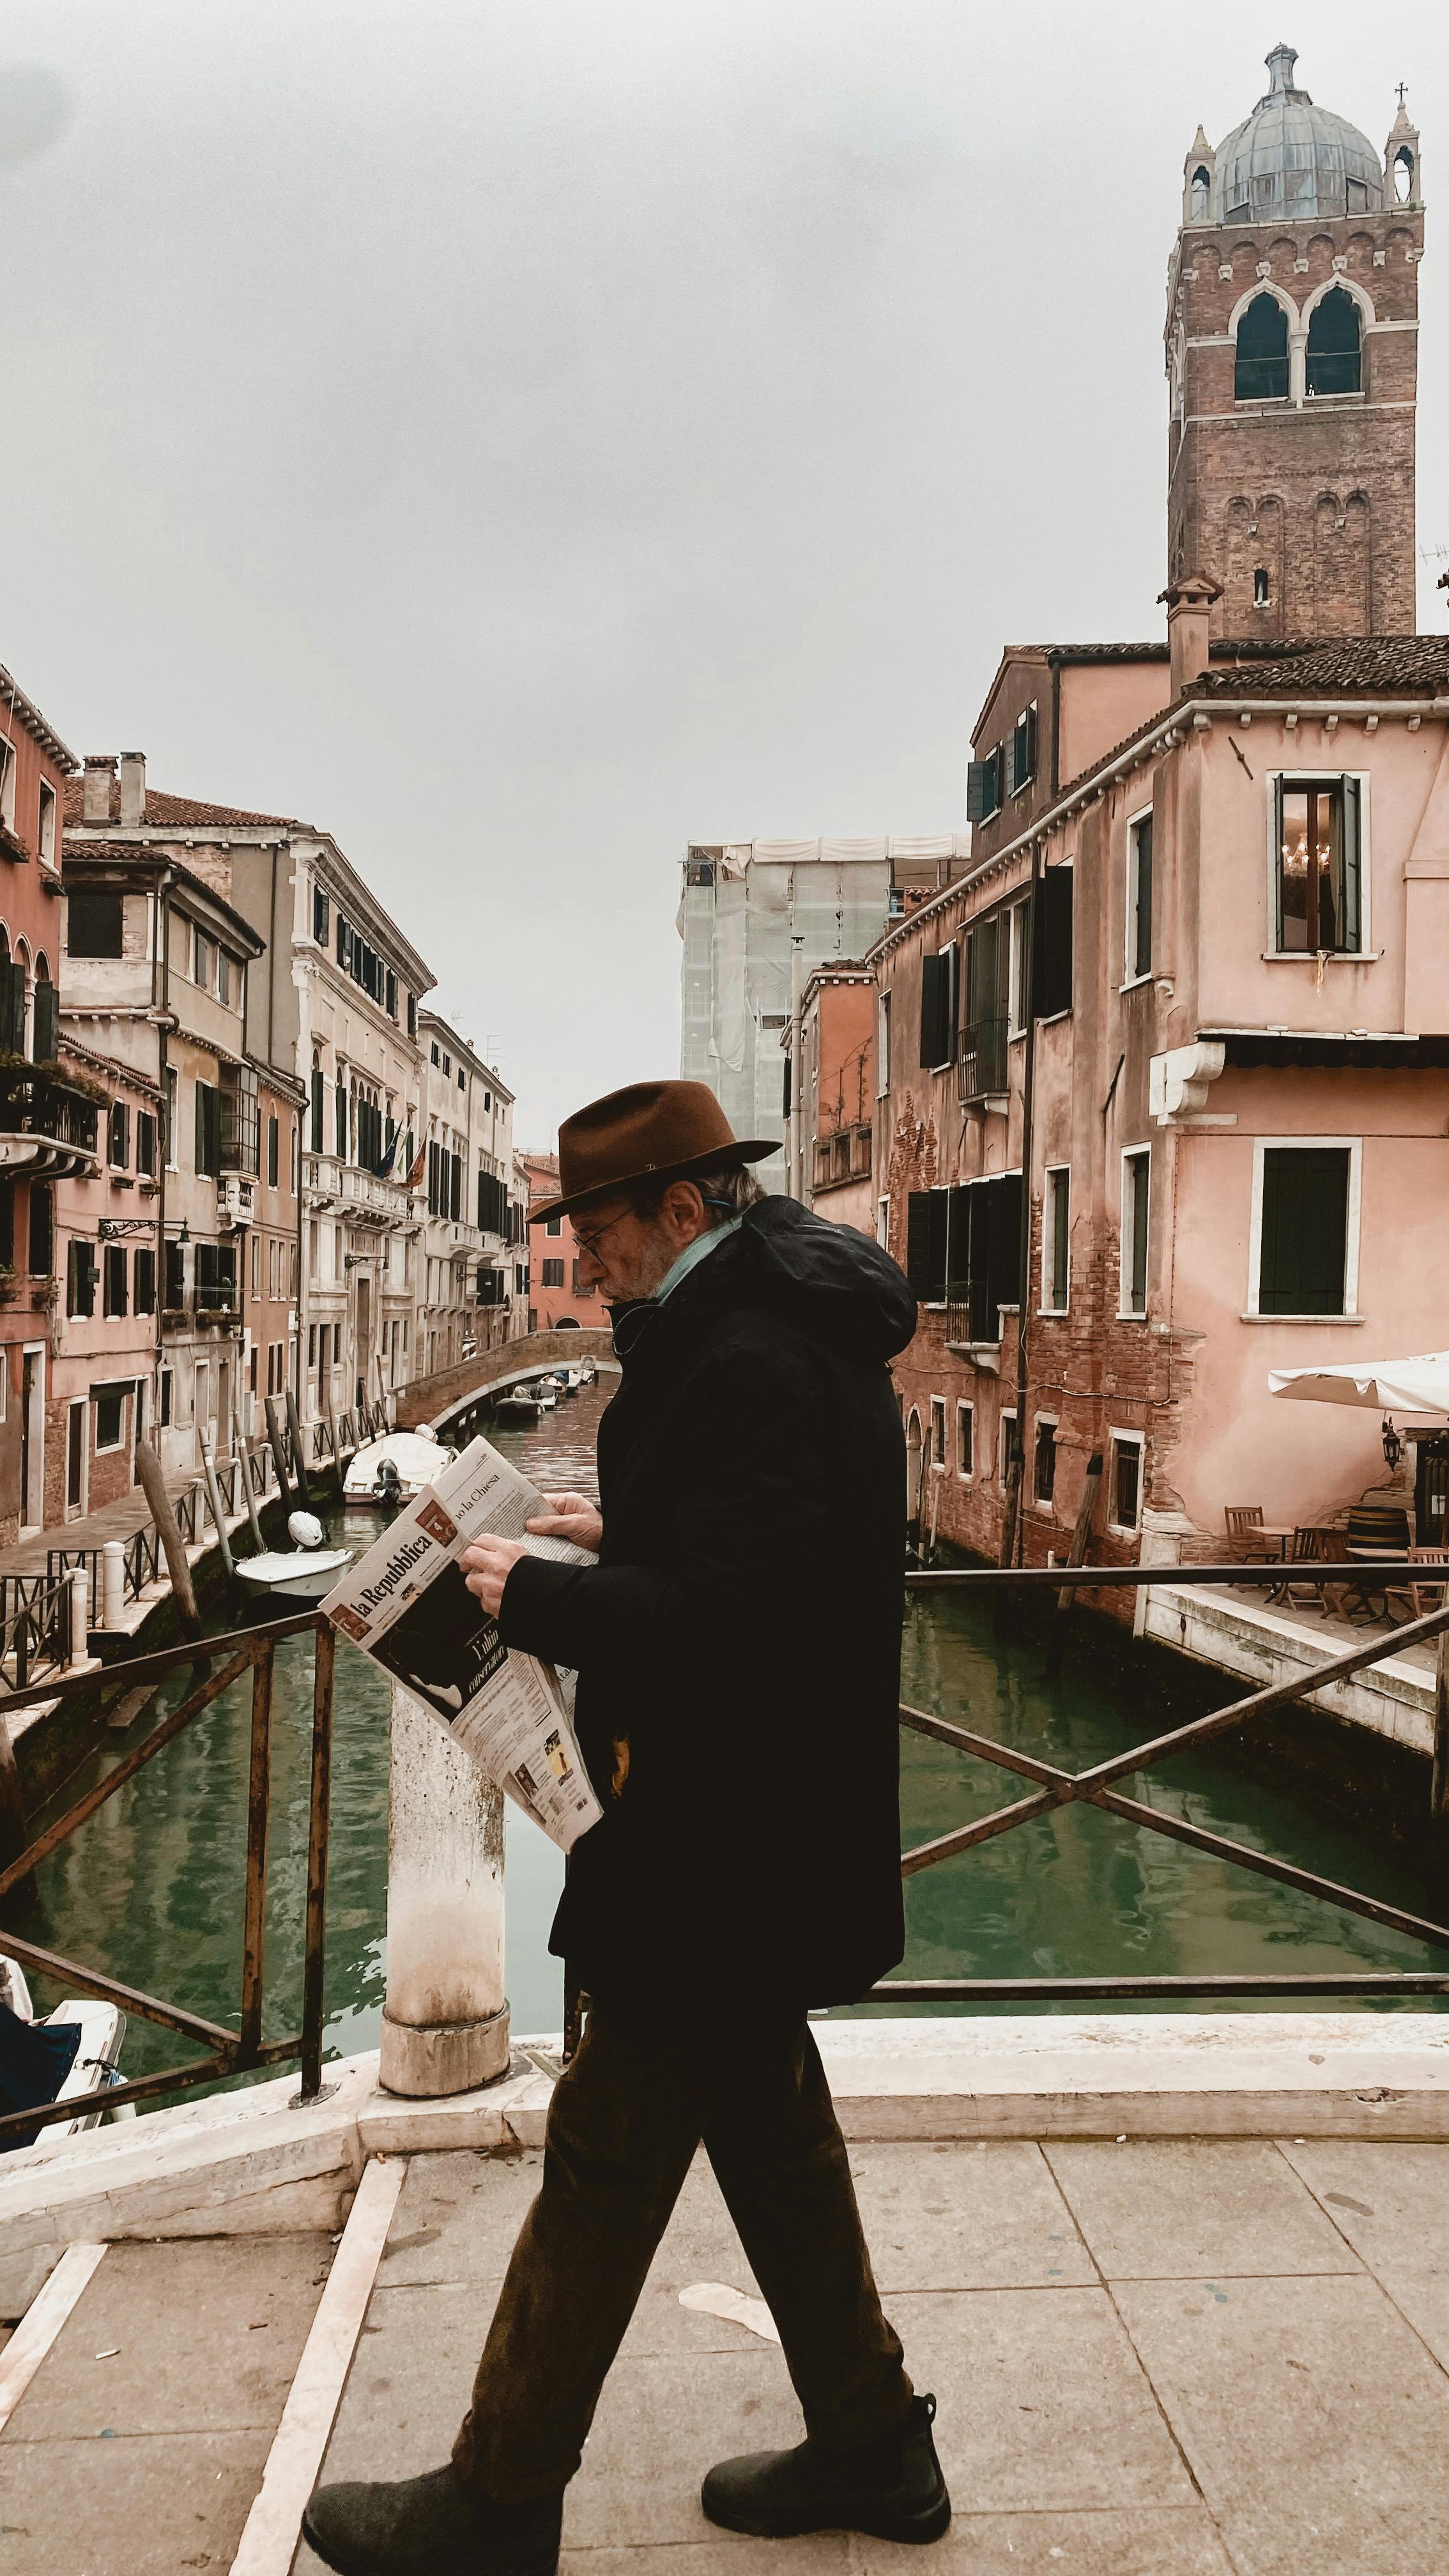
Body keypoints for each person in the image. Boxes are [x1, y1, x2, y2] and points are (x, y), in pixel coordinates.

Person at [303, 1079, 947, 2576]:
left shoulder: (748, 1352)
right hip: (757, 1821)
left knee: (604, 2158)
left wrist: (537, 1595)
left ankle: (498, 2501)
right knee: (770, 2134)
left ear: (682, 1205)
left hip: (718, 1836)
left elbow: (739, 1623)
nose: (582, 1262)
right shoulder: (760, 1324)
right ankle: (873, 2442)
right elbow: (764, 1556)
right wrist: (623, 1537)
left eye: (596, 1231)